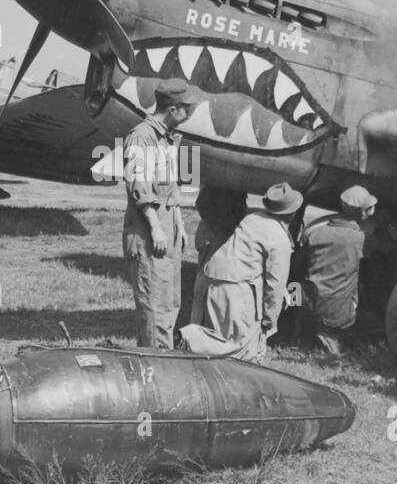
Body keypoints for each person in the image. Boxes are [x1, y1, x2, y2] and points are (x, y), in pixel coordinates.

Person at [180, 182, 302, 362]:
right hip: (235, 287)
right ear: (292, 213)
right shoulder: (280, 239)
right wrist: (270, 321)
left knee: (215, 334)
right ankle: (186, 339)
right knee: (240, 348)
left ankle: (191, 343)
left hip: (209, 276)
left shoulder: (251, 218)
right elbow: (275, 285)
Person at [122, 77, 199, 348]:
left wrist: (178, 224)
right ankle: (155, 366)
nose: (188, 113)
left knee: (169, 301)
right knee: (153, 303)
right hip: (148, 232)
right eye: (186, 108)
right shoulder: (142, 136)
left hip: (168, 231)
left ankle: (162, 358)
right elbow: (139, 185)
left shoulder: (166, 139)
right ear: (173, 109)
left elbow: (169, 186)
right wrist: (156, 227)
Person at [300, 186, 376, 356]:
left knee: (296, 282)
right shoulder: (362, 240)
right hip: (338, 313)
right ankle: (330, 334)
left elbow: (298, 266)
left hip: (306, 303)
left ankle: (296, 323)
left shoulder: (314, 231)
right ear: (362, 212)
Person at [189, 186, 249, 325]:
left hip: (225, 235)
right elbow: (202, 203)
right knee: (202, 286)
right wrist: (219, 229)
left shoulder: (237, 180)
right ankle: (195, 328)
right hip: (213, 237)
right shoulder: (219, 178)